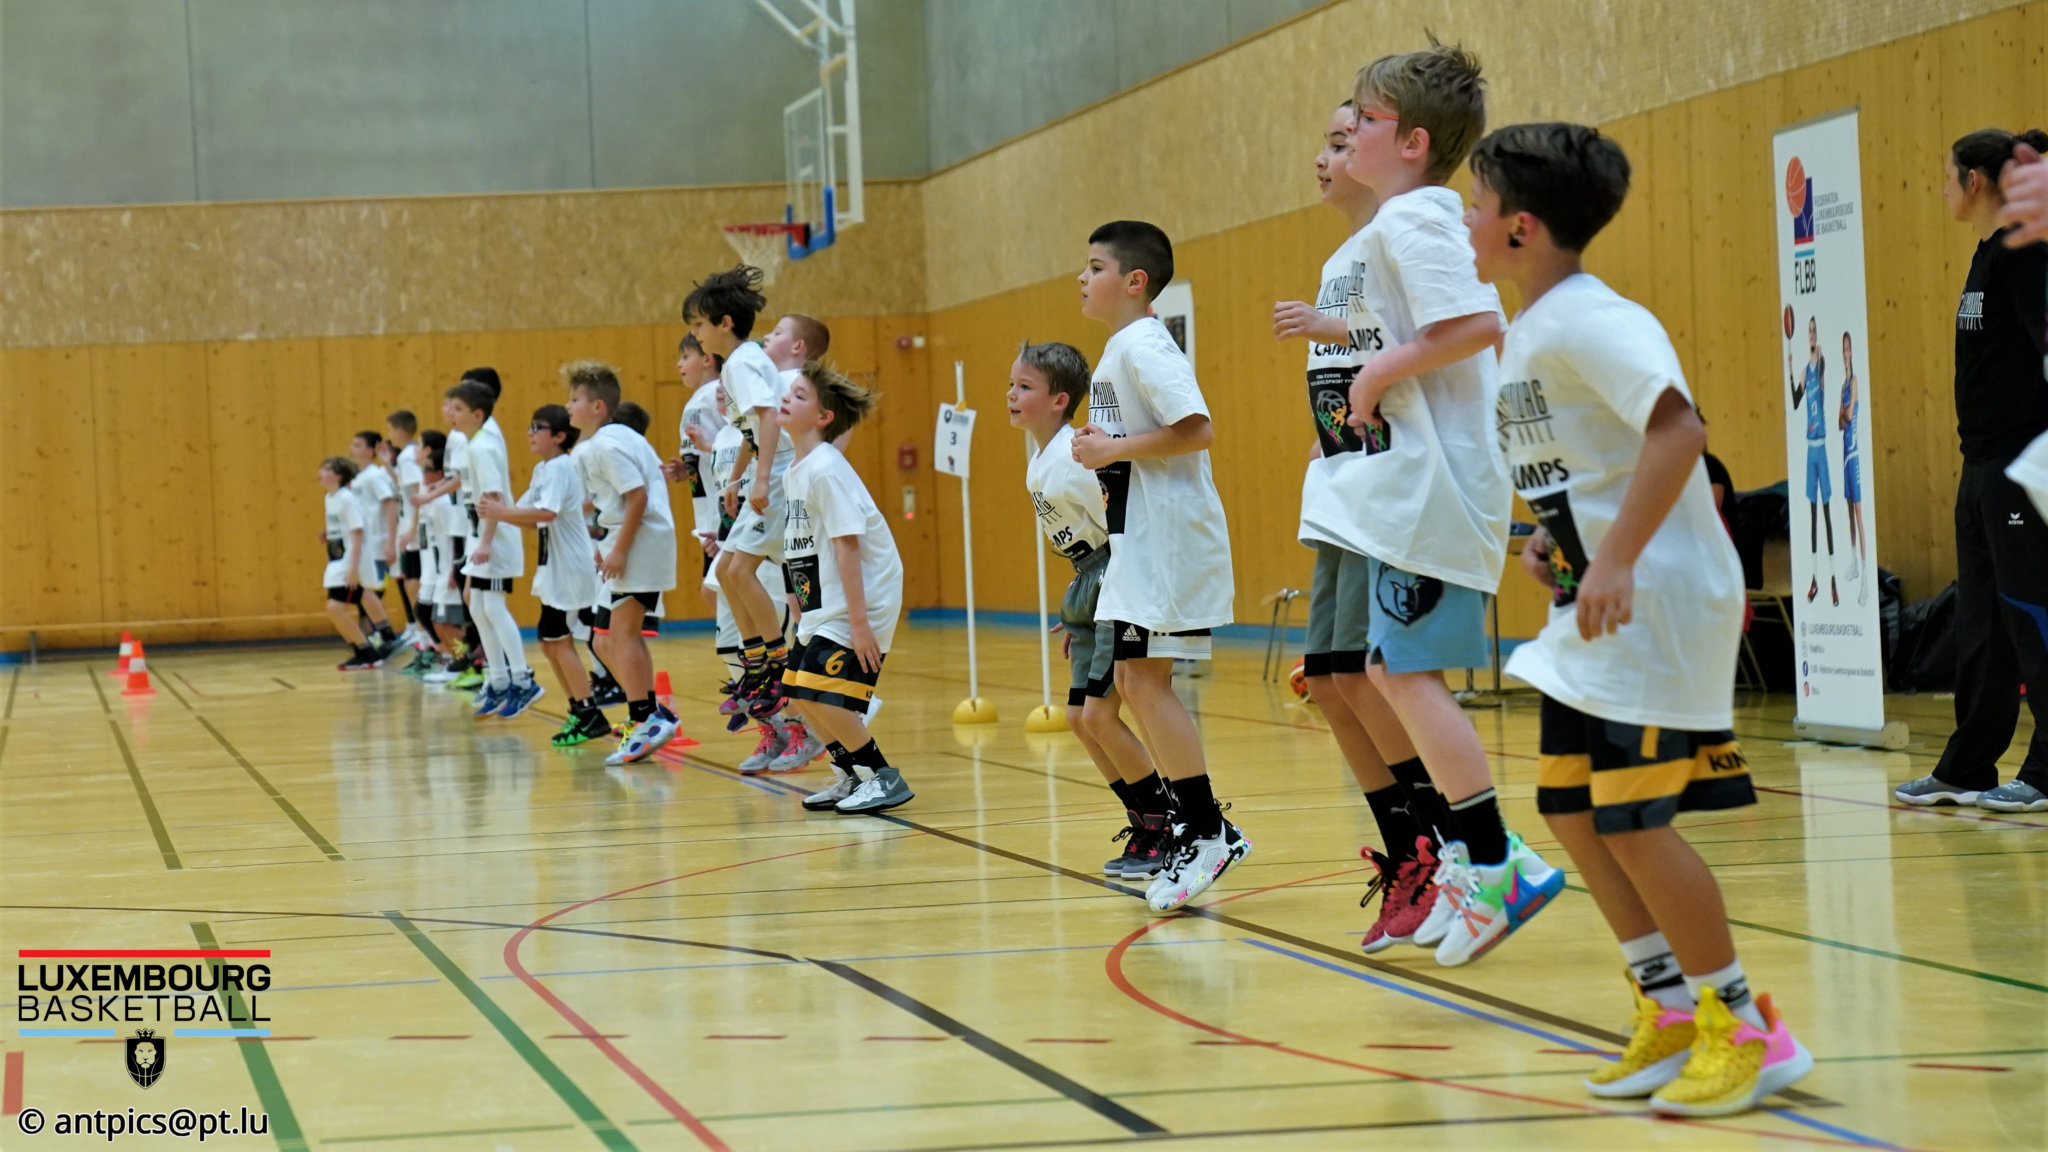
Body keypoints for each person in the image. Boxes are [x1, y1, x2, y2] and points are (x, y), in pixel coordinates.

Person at [1470, 119, 1812, 1117]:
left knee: (1633, 819)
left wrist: (1614, 557)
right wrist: (1560, 545)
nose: (1462, 220)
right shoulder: (1529, 330)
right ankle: (1666, 1011)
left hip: (1653, 604)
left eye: (1474, 206)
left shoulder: (1591, 318)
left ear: (1520, 228)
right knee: (1569, 810)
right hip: (1595, 600)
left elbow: (1677, 432)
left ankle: (1745, 1027)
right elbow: (1592, 467)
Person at [1334, 40, 1560, 966]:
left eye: (1368, 117)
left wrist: (1378, 371)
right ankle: (1479, 859)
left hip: (1437, 488)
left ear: (1416, 141)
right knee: (1392, 673)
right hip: (1408, 489)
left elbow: (1475, 324)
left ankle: (1499, 861)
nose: (1349, 128)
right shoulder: (1398, 223)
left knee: (1408, 676)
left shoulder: (1416, 218)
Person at [1273, 97, 1444, 951]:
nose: (1325, 154)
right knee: (1333, 680)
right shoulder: (1348, 251)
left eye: (1342, 140)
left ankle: (1442, 844)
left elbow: (1436, 332)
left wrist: (1333, 331)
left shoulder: (1404, 233)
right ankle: (1413, 848)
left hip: (1391, 491)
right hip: (1345, 484)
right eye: (1326, 138)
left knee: (1372, 676)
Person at [1070, 219, 1246, 912]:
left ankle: (1207, 831)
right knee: (1130, 682)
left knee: (1144, 685)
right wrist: (1105, 445)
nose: (1082, 279)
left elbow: (1196, 427)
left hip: (1168, 542)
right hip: (1137, 542)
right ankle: (1201, 828)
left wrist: (1112, 451)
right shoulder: (1119, 350)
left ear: (1134, 280)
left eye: (1094, 266)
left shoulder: (1145, 343)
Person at [1895, 128, 2048, 814]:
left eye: (1945, 176)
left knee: (2030, 614)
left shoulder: (2025, 250)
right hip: (1979, 461)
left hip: (2021, 463)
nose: (1940, 188)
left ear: (1975, 181)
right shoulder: (1988, 254)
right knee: (1982, 622)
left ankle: (2046, 770)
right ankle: (1968, 765)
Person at [1008, 340, 1171, 877]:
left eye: (1024, 387)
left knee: (1101, 714)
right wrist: (1078, 606)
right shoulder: (1041, 458)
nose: (1011, 394)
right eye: (1011, 384)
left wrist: (1109, 599)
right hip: (1089, 584)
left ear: (1059, 400)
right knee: (1080, 718)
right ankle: (1143, 821)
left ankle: (1164, 825)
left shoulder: (1075, 456)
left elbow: (1119, 529)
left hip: (1114, 579)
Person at [776, 360, 913, 814]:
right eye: (788, 392)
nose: (786, 399)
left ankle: (882, 777)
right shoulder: (796, 470)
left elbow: (847, 545)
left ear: (823, 417)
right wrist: (799, 603)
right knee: (797, 689)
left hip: (861, 598)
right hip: (823, 603)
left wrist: (859, 625)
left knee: (823, 689)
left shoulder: (826, 469)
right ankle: (852, 776)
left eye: (799, 396)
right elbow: (801, 545)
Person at [688, 268, 794, 719]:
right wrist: (734, 480)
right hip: (760, 472)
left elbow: (770, 420)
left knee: (739, 570)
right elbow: (751, 432)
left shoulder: (743, 362)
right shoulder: (740, 363)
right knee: (728, 570)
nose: (693, 335)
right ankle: (757, 663)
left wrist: (764, 479)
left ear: (724, 322)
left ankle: (776, 665)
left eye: (698, 325)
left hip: (781, 473)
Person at [565, 360, 683, 765]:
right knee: (607, 638)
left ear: (597, 406)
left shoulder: (606, 445)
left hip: (641, 545)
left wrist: (619, 548)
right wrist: (607, 540)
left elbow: (637, 497)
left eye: (575, 399)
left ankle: (645, 718)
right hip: (628, 541)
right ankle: (648, 713)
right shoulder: (613, 439)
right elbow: (615, 501)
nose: (568, 406)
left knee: (622, 634)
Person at [482, 406, 610, 745]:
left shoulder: (559, 468)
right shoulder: (543, 470)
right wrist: (501, 511)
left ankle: (589, 711)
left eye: (537, 428)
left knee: (558, 638)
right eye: (529, 426)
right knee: (548, 640)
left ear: (559, 436)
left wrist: (501, 511)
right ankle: (580, 709)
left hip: (569, 568)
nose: (530, 433)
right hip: (553, 567)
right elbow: (526, 514)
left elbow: (547, 513)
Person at [449, 380, 545, 719]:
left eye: (458, 409)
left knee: (493, 608)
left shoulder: (481, 447)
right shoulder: (475, 442)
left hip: (495, 538)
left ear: (477, 413)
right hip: (484, 536)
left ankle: (523, 678)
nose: (451, 415)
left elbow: (494, 498)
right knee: (477, 606)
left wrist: (487, 541)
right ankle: (499, 679)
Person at [1787, 317, 1842, 605]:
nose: (1810, 334)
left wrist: (1817, 359)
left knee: (1827, 511)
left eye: (1813, 330)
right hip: (1809, 449)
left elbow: (1821, 375)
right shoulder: (1802, 371)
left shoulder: (1819, 363)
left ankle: (1833, 579)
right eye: (1808, 331)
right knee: (1810, 514)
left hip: (1822, 448)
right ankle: (1814, 579)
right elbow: (1796, 401)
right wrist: (1790, 369)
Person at [320, 457, 386, 671]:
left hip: (348, 562)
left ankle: (368, 650)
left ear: (339, 476)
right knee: (338, 606)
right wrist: (328, 533)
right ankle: (366, 648)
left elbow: (358, 532)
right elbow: (344, 526)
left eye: (327, 469)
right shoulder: (330, 498)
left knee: (335, 606)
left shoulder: (347, 498)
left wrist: (352, 569)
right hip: (337, 560)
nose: (320, 472)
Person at [345, 430, 403, 655]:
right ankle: (376, 638)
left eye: (358, 445)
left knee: (370, 594)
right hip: (364, 546)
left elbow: (390, 505)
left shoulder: (375, 475)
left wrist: (391, 541)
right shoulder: (358, 478)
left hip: (377, 544)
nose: (353, 449)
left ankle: (383, 637)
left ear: (371, 450)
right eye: (352, 444)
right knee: (364, 595)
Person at [387, 410, 427, 650]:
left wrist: (412, 527)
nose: (389, 434)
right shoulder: (406, 457)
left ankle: (423, 633)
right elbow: (405, 489)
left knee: (414, 582)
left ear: (400, 431)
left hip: (416, 526)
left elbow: (418, 492)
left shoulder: (408, 457)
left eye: (390, 429)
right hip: (411, 525)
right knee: (410, 580)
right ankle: (420, 632)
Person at [1838, 332, 1869, 606]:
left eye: (1848, 348)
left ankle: (1866, 580)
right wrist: (1843, 413)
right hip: (1844, 454)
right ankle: (1853, 563)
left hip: (1855, 453)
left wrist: (1844, 414)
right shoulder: (1843, 385)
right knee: (1848, 510)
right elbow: (1839, 420)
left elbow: (1847, 415)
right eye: (1843, 349)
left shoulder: (1855, 382)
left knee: (1859, 513)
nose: (1846, 353)